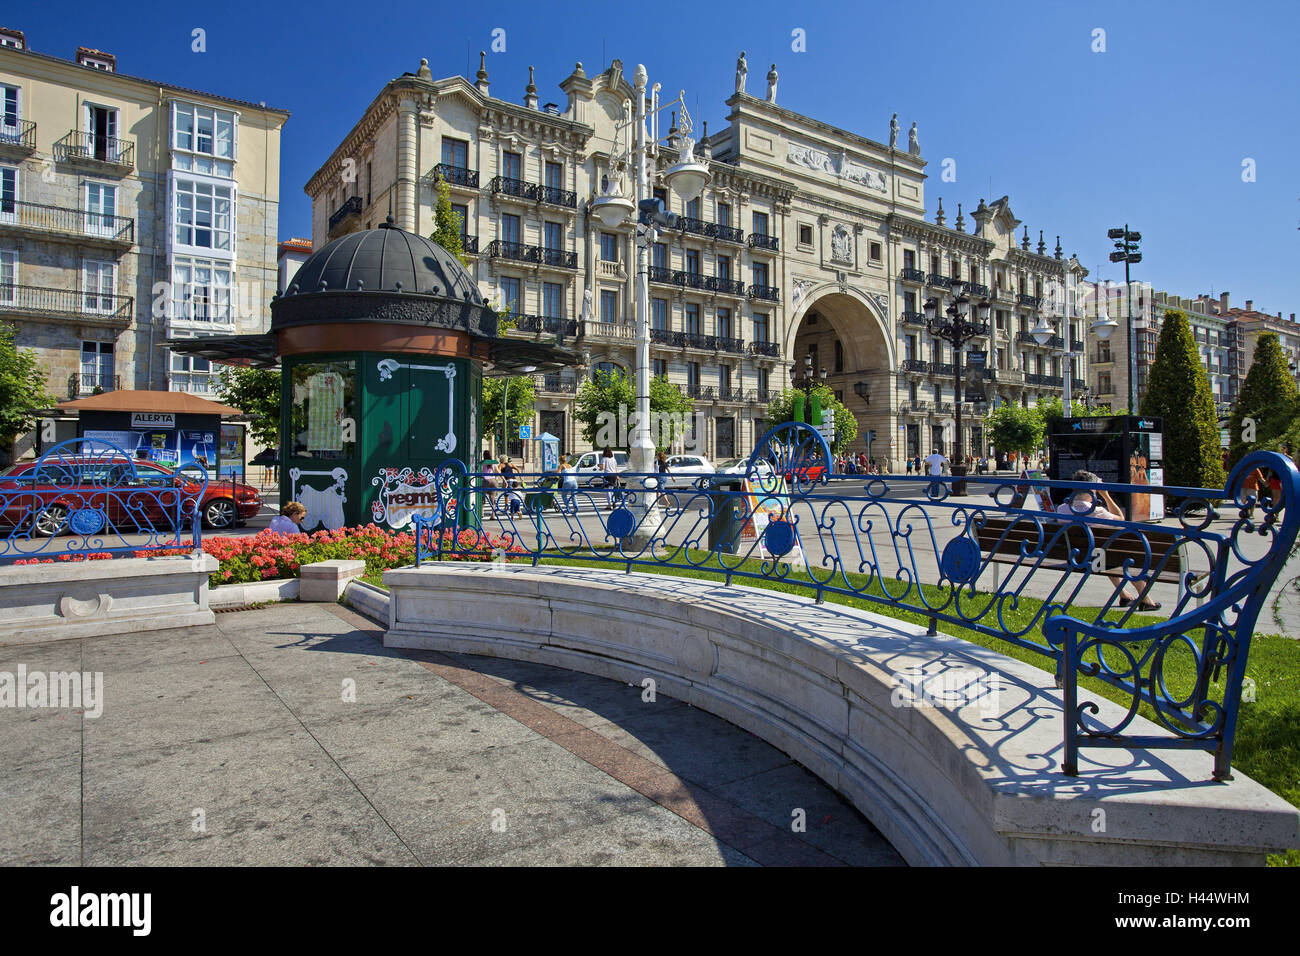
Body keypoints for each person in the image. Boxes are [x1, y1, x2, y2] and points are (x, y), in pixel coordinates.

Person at [1057, 470, 1161, 611]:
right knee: (1120, 557)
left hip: (1075, 558)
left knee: (1105, 553)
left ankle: (1124, 595)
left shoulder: (1062, 509)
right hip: (1095, 560)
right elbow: (1120, 518)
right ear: (1093, 489)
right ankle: (1146, 599)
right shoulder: (1096, 511)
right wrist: (1106, 495)